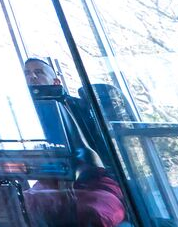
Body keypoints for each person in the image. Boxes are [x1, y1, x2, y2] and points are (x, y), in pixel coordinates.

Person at [22, 58, 127, 227]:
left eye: (38, 72)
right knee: (11, 208)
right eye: (27, 73)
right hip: (50, 183)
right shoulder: (22, 115)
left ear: (56, 81)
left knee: (91, 213)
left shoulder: (79, 107)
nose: (31, 77)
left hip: (96, 181)